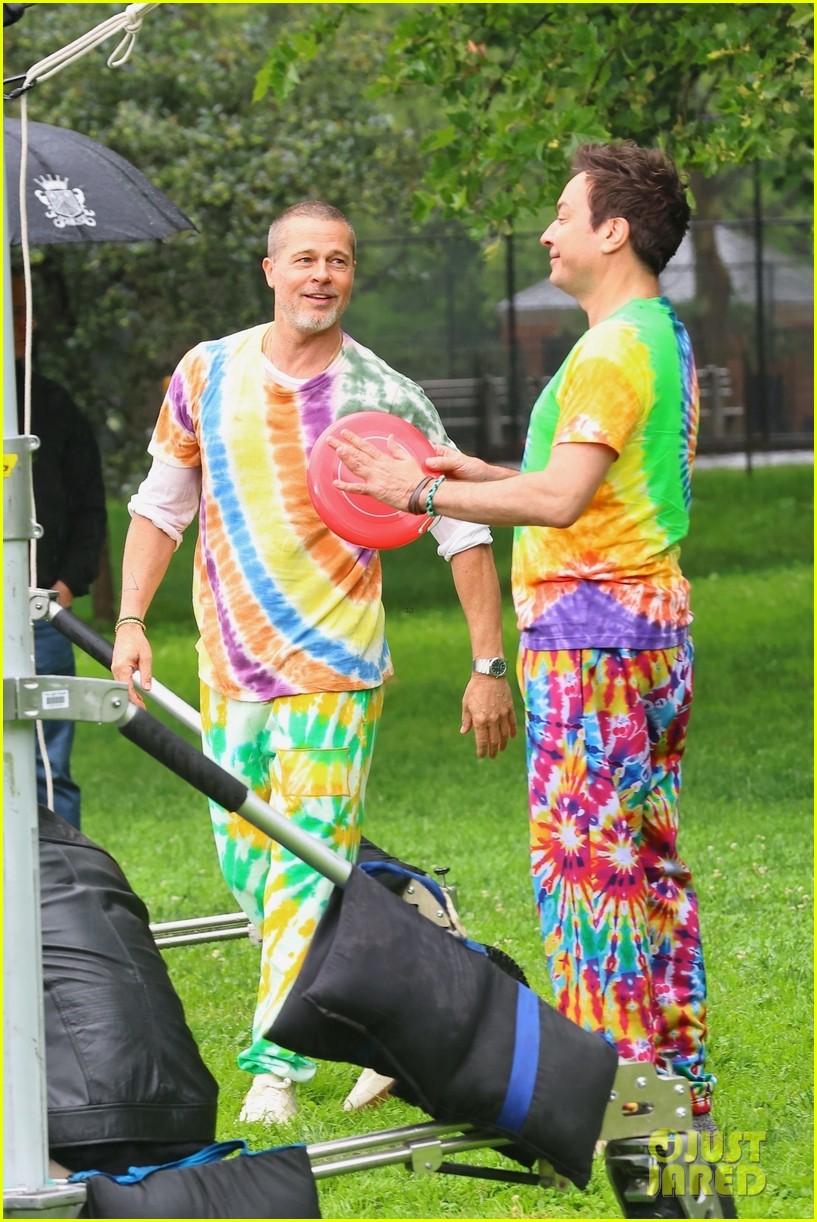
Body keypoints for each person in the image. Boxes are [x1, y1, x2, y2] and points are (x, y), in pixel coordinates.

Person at [329, 143, 718, 1127]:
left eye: (561, 214)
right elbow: (594, 494)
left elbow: (560, 499)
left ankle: (618, 1109)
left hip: (591, 640)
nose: (546, 232)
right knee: (644, 860)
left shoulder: (607, 348)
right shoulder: (658, 334)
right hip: (645, 627)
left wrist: (415, 491)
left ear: (612, 230)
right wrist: (471, 468)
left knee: (588, 871)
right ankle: (675, 1083)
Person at [110, 201, 516, 1126]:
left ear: (351, 275)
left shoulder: (384, 393)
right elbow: (161, 506)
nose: (320, 275)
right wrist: (132, 619)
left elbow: (461, 529)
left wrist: (487, 662)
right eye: (303, 259)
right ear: (269, 271)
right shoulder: (205, 372)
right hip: (229, 666)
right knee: (250, 868)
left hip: (336, 667)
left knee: (302, 865)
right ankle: (403, 954)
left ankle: (275, 1071)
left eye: (337, 260)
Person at [13, 275, 108, 830]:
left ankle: (63, 889)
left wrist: (66, 588)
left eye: (26, 312)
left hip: (42, 617)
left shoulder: (53, 407)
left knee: (51, 768)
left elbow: (91, 510)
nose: (23, 325)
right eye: (11, 313)